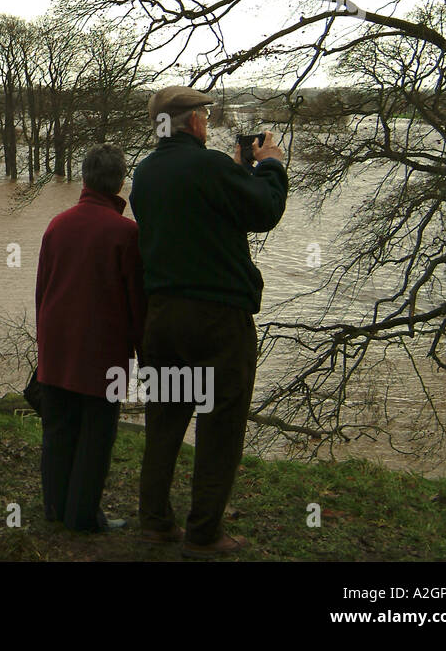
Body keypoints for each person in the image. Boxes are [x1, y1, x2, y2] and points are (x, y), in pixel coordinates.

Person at [129, 86, 287, 558]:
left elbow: (196, 217)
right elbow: (263, 211)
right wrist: (271, 164)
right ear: (192, 122)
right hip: (217, 320)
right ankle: (203, 534)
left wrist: (237, 172)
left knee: (164, 422)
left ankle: (155, 522)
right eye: (203, 112)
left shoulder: (145, 173)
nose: (206, 120)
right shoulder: (208, 165)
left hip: (161, 319)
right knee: (219, 425)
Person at [35, 144, 145, 533]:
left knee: (58, 429)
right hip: (102, 353)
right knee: (97, 436)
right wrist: (145, 355)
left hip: (56, 345)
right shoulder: (127, 233)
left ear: (83, 178)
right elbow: (137, 304)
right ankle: (82, 517)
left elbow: (42, 289)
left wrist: (43, 345)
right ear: (119, 183)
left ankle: (54, 506)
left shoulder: (56, 224)